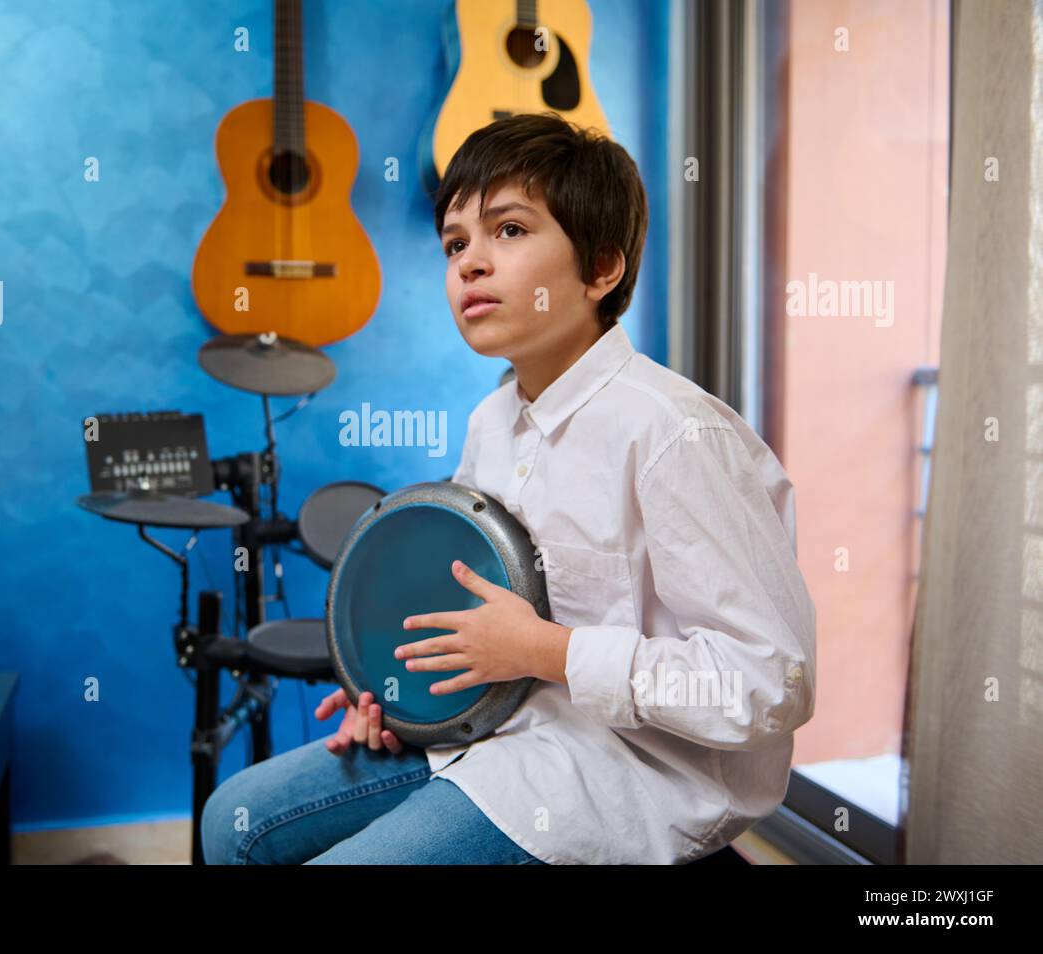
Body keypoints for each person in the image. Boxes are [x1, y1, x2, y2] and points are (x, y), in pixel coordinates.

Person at [200, 111, 816, 865]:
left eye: (510, 230)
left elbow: (772, 683)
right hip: (494, 736)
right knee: (232, 817)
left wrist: (550, 651)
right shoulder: (492, 421)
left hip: (626, 779)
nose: (470, 263)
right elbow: (466, 606)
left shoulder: (677, 436)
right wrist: (397, 702)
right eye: (456, 242)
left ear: (601, 268)